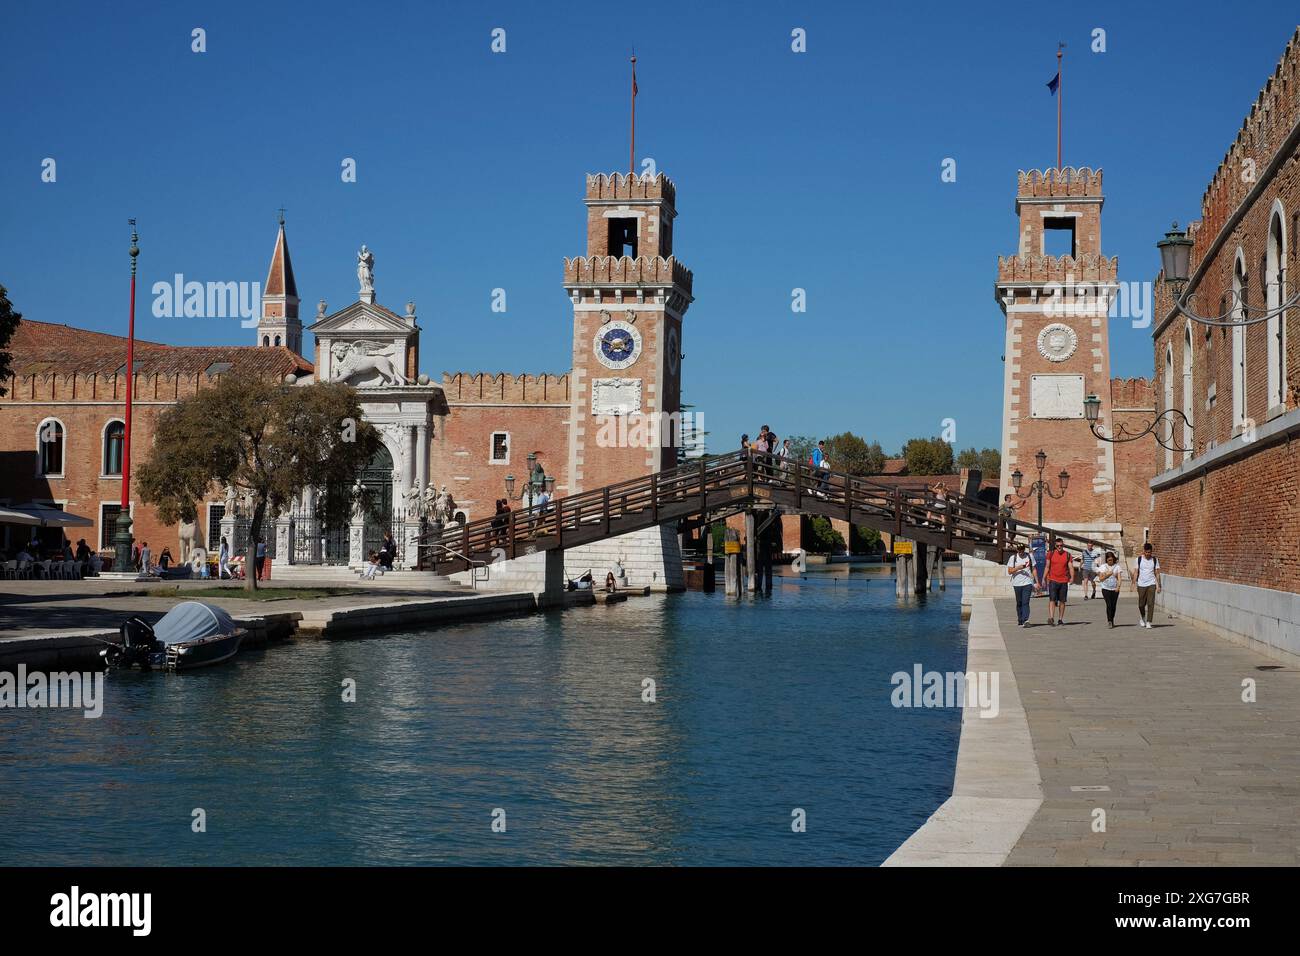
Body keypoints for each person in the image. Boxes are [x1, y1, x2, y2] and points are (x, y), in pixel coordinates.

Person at [1132, 542, 1161, 628]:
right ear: (1144, 551)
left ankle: (1149, 621)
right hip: (1141, 584)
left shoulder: (1155, 560)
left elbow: (1157, 573)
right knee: (1141, 604)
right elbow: (1136, 572)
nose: (1148, 554)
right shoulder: (1138, 559)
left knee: (1151, 603)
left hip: (1151, 583)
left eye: (1150, 552)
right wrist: (1133, 583)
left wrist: (1158, 585)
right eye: (1147, 552)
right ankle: (1142, 617)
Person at [1045, 538, 1072, 626]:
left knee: (1062, 601)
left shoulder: (1067, 555)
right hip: (1053, 580)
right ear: (1055, 546)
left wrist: (1072, 577)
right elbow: (1047, 567)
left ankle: (1060, 619)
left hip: (1063, 581)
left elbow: (1071, 567)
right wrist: (1043, 578)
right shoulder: (1050, 554)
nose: (1059, 547)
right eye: (1058, 546)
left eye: (1061, 545)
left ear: (1063, 545)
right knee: (1052, 599)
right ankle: (1051, 617)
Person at [1007, 541, 1035, 627]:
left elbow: (1034, 569)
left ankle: (1026, 620)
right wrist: (1018, 567)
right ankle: (1020, 619)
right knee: (1019, 602)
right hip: (1017, 584)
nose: (1021, 552)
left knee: (1025, 602)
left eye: (1022, 550)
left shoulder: (1029, 556)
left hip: (1027, 582)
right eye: (1019, 551)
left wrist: (1036, 581)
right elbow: (1009, 571)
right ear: (1017, 550)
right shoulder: (1013, 558)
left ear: (1024, 549)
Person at [1096, 551, 1123, 627]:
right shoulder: (1103, 567)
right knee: (1109, 605)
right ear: (1106, 560)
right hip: (1105, 588)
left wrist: (1118, 587)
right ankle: (1109, 621)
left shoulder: (1117, 567)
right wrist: (1107, 575)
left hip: (1115, 589)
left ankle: (1112, 619)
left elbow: (1120, 578)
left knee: (1113, 606)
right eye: (1109, 560)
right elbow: (1101, 579)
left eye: (1111, 560)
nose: (1110, 562)